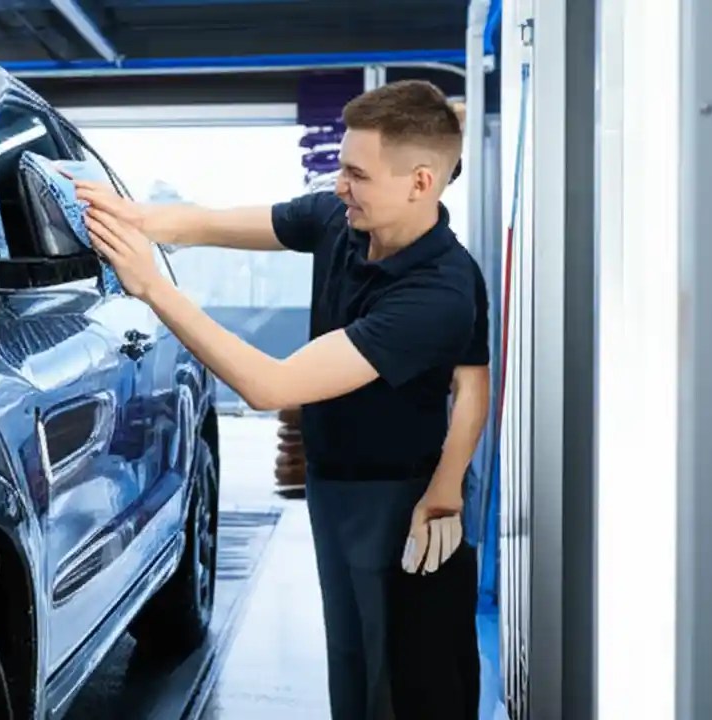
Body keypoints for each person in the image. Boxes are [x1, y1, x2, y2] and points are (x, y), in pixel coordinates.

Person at [71, 80, 490, 720]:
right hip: (332, 483)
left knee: (407, 679)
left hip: (398, 495)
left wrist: (445, 487)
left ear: (421, 182)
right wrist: (138, 219)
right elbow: (217, 223)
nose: (339, 184)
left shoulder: (440, 292)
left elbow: (272, 385)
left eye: (356, 173)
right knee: (351, 668)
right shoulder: (339, 219)